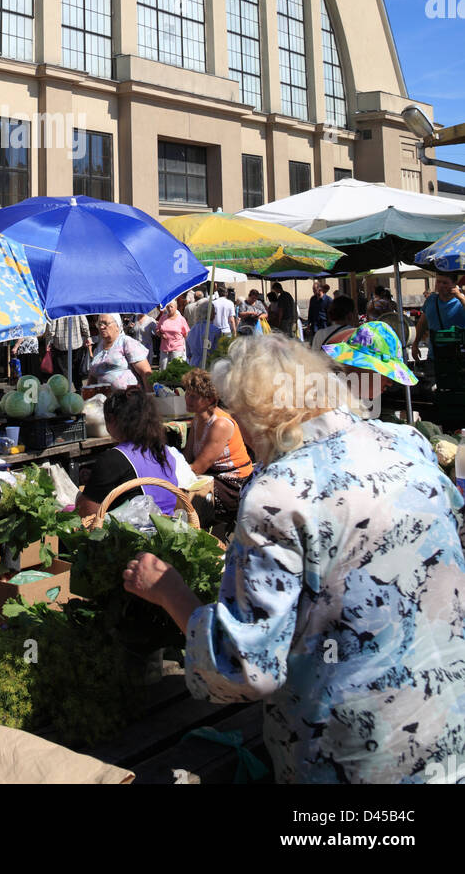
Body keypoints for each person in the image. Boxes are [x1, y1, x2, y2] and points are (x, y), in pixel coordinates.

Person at [123, 333, 465, 784]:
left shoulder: (278, 492)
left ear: (256, 414)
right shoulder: (408, 444)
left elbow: (248, 667)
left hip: (352, 756)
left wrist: (170, 594)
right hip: (446, 728)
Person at [75, 385, 213, 528]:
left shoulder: (112, 459)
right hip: (169, 529)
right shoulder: (166, 452)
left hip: (133, 537)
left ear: (112, 419)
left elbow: (87, 514)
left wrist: (80, 497)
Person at [181, 367, 252, 514]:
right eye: (187, 393)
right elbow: (187, 456)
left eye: (194, 396)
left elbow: (198, 468)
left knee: (185, 501)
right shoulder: (197, 418)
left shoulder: (220, 424)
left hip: (233, 484)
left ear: (210, 400)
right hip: (212, 476)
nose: (187, 399)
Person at [83, 314, 151, 396]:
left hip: (128, 401)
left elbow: (146, 373)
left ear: (117, 326)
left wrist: (150, 398)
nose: (101, 327)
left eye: (105, 323)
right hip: (105, 403)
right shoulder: (99, 348)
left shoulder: (126, 342)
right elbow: (93, 377)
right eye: (99, 324)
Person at [414, 272, 465, 361]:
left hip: (459, 356)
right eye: (438, 282)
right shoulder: (431, 299)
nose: (440, 285)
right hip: (435, 356)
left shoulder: (461, 301)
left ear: (454, 284)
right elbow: (422, 323)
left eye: (445, 283)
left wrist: (460, 297)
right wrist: (415, 344)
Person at [45, 315, 93, 392]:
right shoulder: (75, 304)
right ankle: (79, 389)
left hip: (61, 345)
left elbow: (51, 329)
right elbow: (84, 324)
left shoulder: (57, 307)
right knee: (76, 369)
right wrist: (87, 336)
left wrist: (48, 342)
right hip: (76, 343)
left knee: (64, 371)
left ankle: (66, 392)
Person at [156, 301, 189, 369]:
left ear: (176, 308)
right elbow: (157, 329)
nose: (169, 309)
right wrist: (161, 334)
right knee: (163, 367)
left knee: (175, 368)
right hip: (164, 347)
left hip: (177, 347)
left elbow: (186, 334)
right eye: (168, 307)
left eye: (171, 307)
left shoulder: (181, 319)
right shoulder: (163, 318)